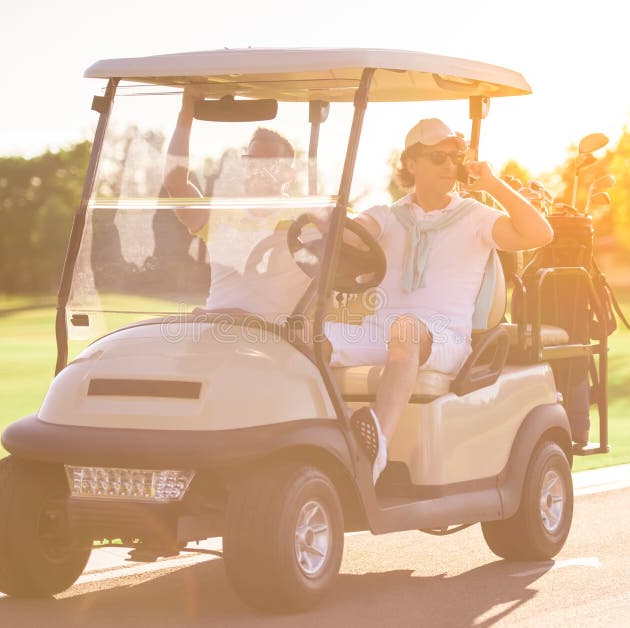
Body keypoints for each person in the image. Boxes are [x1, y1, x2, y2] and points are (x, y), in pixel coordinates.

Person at [325, 118, 554, 483]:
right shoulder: (388, 216)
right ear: (411, 163)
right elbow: (352, 235)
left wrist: (492, 184)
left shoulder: (476, 217)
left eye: (454, 158)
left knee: (405, 330)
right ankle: (319, 440)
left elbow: (539, 233)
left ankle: (375, 449)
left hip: (443, 338)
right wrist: (334, 229)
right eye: (438, 158)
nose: (449, 165)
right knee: (307, 337)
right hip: (379, 333)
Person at [163, 91, 310, 320]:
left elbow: (358, 235)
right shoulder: (222, 215)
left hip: (273, 336)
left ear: (287, 174)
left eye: (269, 165)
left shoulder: (306, 220)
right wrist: (187, 112)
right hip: (214, 329)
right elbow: (175, 183)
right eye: (252, 163)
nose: (258, 171)